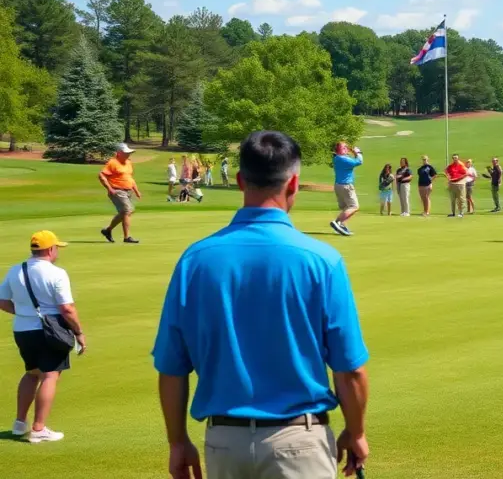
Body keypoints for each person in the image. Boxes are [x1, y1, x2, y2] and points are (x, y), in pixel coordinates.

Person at [153, 130, 370, 479]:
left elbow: (171, 368)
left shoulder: (195, 260)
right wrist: (356, 432)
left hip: (223, 444)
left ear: (240, 181)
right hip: (299, 441)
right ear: (294, 183)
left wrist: (178, 442)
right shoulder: (321, 260)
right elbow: (350, 369)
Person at [1, 231, 86, 444]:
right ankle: (38, 429)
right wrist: (79, 333)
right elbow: (66, 309)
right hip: (50, 332)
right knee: (50, 375)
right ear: (50, 250)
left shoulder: (15, 270)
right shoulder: (56, 273)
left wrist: (24, 313)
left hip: (22, 330)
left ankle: (20, 424)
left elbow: (2, 301)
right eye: (56, 248)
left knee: (31, 373)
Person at [99, 143, 142, 244]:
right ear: (119, 153)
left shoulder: (128, 163)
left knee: (125, 212)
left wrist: (136, 191)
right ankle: (127, 237)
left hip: (128, 191)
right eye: (126, 153)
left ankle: (108, 230)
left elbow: (129, 178)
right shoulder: (112, 162)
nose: (128, 155)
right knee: (127, 211)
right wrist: (109, 188)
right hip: (117, 190)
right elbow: (101, 175)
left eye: (129, 153)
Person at [330, 142, 363, 237]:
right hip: (346, 186)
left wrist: (352, 152)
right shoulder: (343, 159)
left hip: (338, 186)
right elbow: (359, 162)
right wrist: (358, 152)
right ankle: (337, 222)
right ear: (338, 150)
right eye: (344, 147)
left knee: (346, 208)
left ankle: (342, 226)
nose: (346, 149)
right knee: (354, 206)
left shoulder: (337, 158)